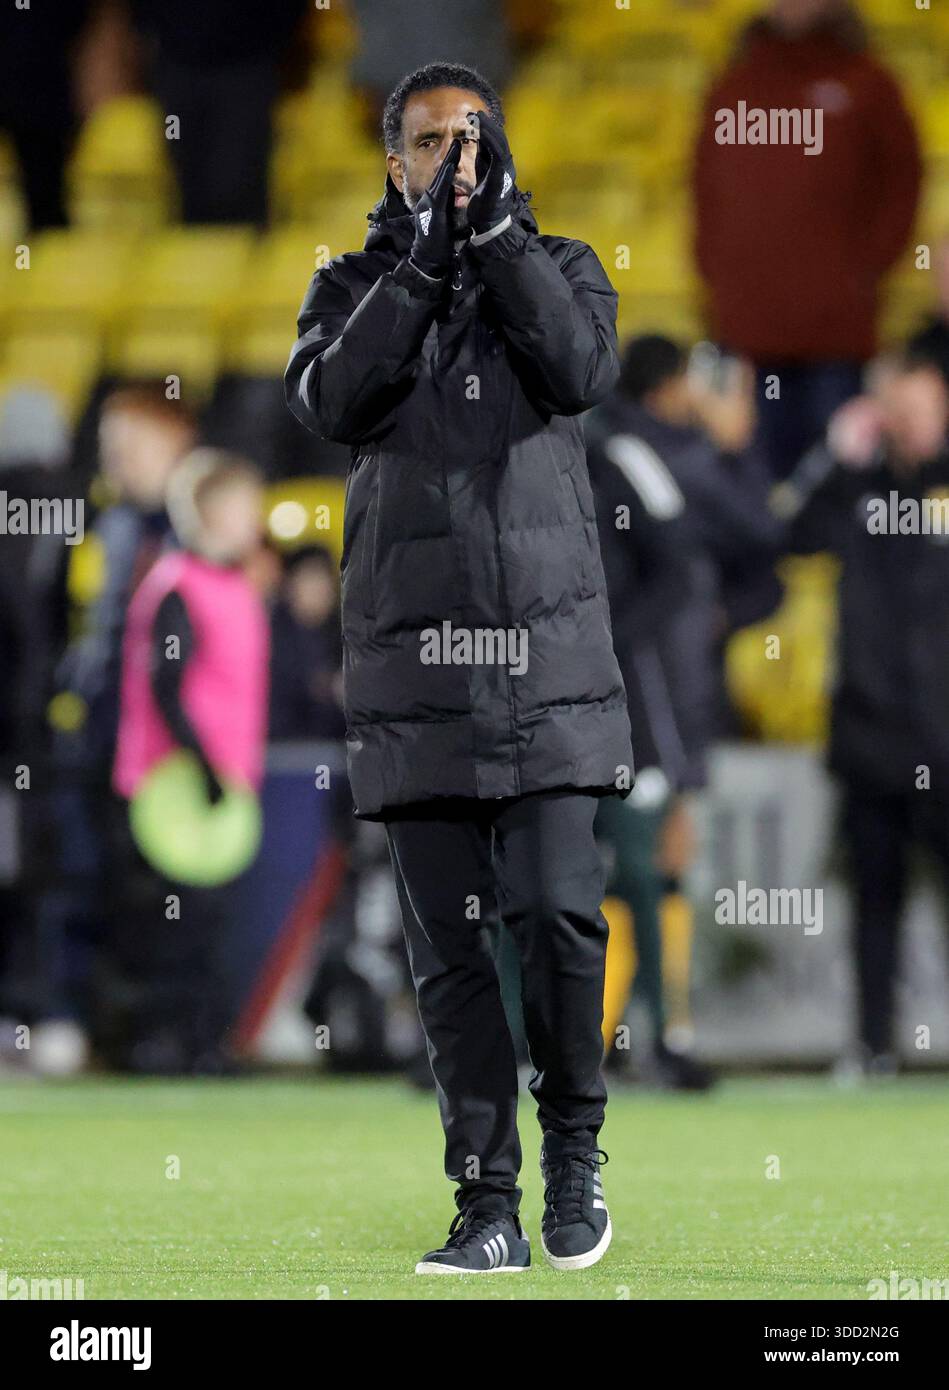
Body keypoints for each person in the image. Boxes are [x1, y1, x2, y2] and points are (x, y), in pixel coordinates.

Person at [286, 62, 633, 1274]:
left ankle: (575, 1157)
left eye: (471, 138)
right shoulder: (347, 284)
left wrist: (489, 242)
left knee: (555, 915)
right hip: (417, 668)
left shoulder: (566, 266)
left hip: (545, 664)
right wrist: (427, 262)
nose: (452, 156)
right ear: (395, 162)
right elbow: (333, 397)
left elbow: (581, 371)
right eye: (430, 141)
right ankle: (485, 1202)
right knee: (449, 959)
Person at [782, 354, 949, 1075]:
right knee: (874, 900)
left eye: (924, 410)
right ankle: (872, 1042)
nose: (913, 425)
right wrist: (831, 458)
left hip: (945, 735)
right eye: (900, 411)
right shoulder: (855, 484)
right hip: (870, 731)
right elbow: (791, 538)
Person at [693, 0, 921, 477]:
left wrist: (862, 269)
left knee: (838, 489)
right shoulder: (733, 85)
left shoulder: (867, 84)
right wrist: (718, 275)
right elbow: (704, 191)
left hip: (836, 338)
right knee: (756, 503)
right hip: (749, 334)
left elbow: (904, 182)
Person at [110, 450, 269, 1072]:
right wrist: (201, 766)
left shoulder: (237, 586)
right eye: (242, 510)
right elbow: (165, 684)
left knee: (209, 926)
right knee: (172, 925)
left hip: (222, 789)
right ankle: (160, 1043)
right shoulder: (177, 583)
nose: (253, 522)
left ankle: (204, 1042)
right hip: (172, 791)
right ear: (206, 514)